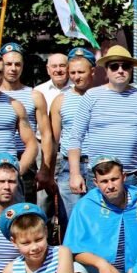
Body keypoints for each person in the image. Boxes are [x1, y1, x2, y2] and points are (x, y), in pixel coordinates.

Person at [66, 45, 137, 193]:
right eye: (114, 66)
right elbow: (75, 137)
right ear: (106, 70)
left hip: (133, 176)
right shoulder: (91, 96)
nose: (120, 70)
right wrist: (74, 174)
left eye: (125, 66)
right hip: (99, 177)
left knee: (135, 216)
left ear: (131, 69)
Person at [0, 42, 54, 203]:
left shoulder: (34, 95)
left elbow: (46, 134)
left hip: (26, 161)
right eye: (8, 64)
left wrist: (45, 169)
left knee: (24, 213)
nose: (13, 68)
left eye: (18, 64)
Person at [51, 47, 95, 227]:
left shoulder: (102, 96)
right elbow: (54, 140)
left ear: (92, 72)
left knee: (95, 219)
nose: (77, 77)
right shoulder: (60, 100)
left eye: (81, 72)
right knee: (71, 220)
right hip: (69, 166)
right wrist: (50, 172)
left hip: (96, 164)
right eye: (73, 72)